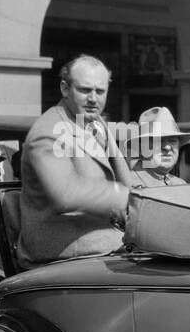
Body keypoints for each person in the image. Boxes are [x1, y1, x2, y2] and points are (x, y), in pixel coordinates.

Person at [18, 55, 133, 265]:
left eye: (100, 91)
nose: (93, 99)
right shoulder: (48, 131)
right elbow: (67, 193)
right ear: (64, 89)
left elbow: (126, 180)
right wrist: (125, 196)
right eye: (85, 90)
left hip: (104, 244)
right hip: (64, 255)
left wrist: (147, 204)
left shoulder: (95, 123)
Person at [127, 107, 190, 189]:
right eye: (158, 140)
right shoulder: (128, 185)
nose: (167, 147)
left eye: (172, 141)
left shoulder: (180, 184)